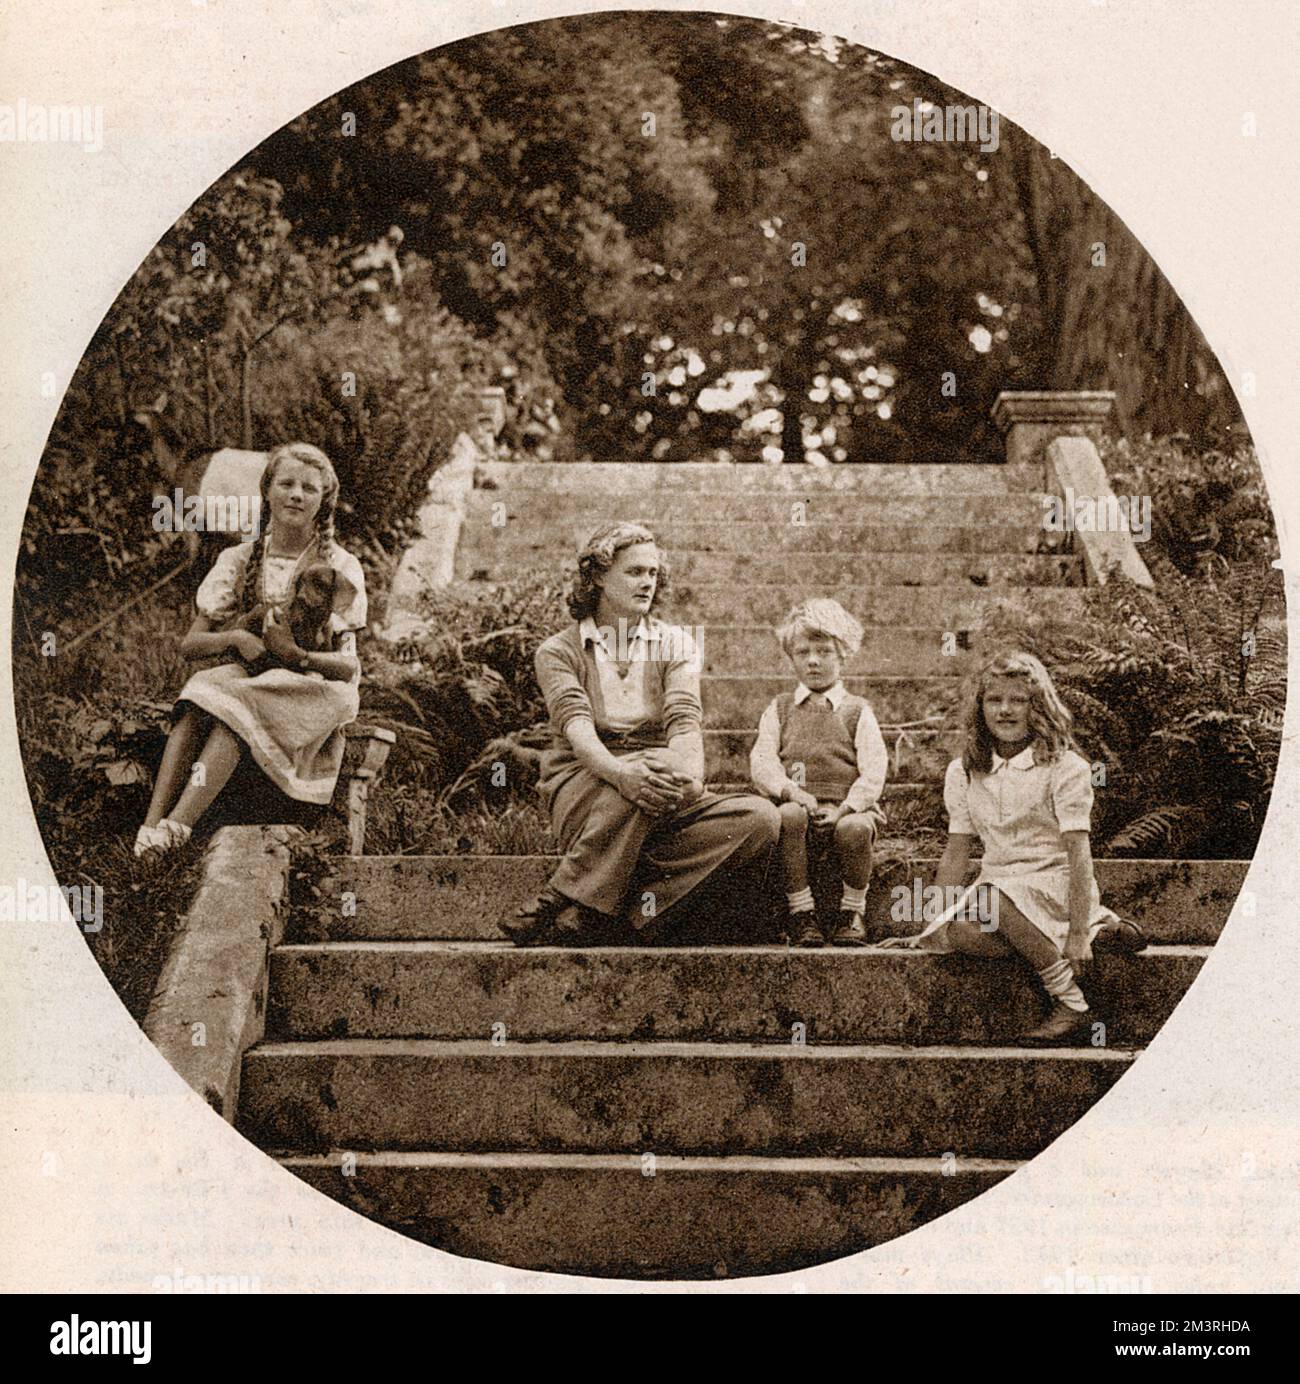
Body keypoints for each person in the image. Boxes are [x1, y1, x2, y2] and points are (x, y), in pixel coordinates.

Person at [502, 521, 781, 945]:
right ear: (597, 576)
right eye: (635, 572)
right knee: (638, 779)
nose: (647, 582)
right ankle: (574, 901)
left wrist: (686, 774)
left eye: (653, 573)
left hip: (661, 785)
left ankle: (599, 909)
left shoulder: (677, 644)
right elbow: (578, 732)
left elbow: (685, 721)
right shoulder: (558, 651)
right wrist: (621, 774)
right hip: (588, 784)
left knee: (761, 819)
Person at [881, 649, 1146, 1044]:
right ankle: (1100, 935)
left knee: (991, 899)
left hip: (1052, 882)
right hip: (1000, 887)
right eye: (994, 699)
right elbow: (957, 851)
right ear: (980, 706)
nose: (1005, 710)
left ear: (1037, 707)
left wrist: (1074, 931)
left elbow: (1078, 855)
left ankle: (1071, 999)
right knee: (959, 935)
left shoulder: (1065, 766)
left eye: (1018, 700)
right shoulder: (965, 770)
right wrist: (930, 920)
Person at [133, 442, 367, 858]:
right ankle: (149, 828)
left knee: (237, 704)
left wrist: (297, 656)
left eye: (308, 488)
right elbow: (192, 645)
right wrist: (236, 638)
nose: (296, 494)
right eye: (286, 483)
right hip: (256, 674)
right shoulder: (240, 557)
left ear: (323, 501)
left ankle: (177, 829)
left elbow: (348, 668)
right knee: (201, 690)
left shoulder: (339, 568)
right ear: (268, 491)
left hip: (315, 684)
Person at [749, 598, 888, 947]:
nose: (812, 660)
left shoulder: (857, 711)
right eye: (802, 652)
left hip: (844, 811)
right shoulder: (780, 708)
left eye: (824, 651)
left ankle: (852, 911)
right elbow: (763, 762)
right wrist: (792, 791)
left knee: (856, 829)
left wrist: (845, 808)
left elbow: (873, 772)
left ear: (843, 654)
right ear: (791, 656)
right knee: (790, 816)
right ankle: (801, 912)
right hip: (799, 810)